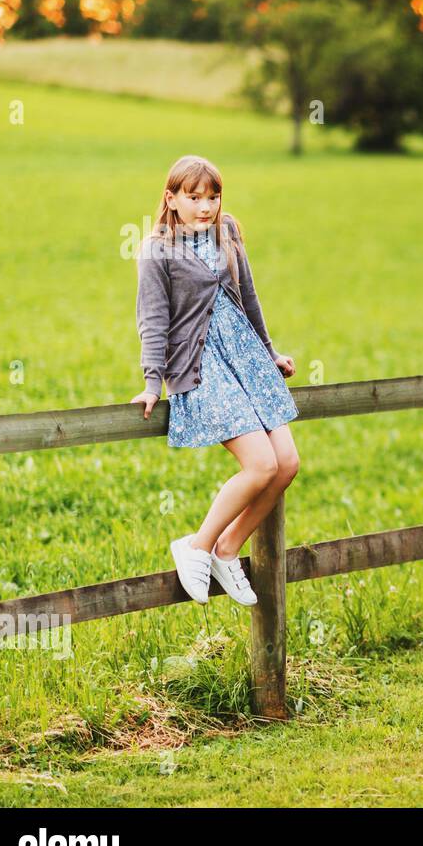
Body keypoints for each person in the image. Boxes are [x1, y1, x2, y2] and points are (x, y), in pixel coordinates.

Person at [131, 154, 299, 607]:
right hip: (201, 366)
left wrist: (269, 352)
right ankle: (197, 545)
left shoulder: (229, 231)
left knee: (286, 465)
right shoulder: (156, 251)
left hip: (247, 358)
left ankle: (227, 549)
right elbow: (153, 320)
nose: (206, 206)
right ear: (171, 198)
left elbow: (249, 297)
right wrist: (152, 382)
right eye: (194, 197)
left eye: (213, 196)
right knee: (260, 465)